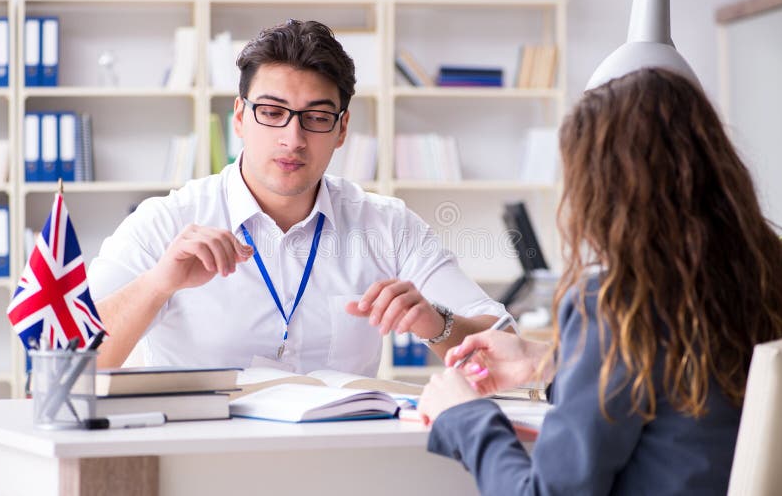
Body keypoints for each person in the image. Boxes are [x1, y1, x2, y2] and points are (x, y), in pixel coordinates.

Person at [417, 68, 782, 495]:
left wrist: (464, 416)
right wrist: (550, 363)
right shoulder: (765, 274)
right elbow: (674, 402)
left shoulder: (616, 304)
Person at [89, 19, 507, 372]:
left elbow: (504, 348)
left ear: (342, 130)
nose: (293, 139)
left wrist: (438, 324)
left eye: (317, 118)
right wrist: (156, 286)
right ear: (240, 117)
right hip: (199, 460)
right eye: (272, 113)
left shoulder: (387, 225)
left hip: (340, 461)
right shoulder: (166, 221)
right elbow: (69, 361)